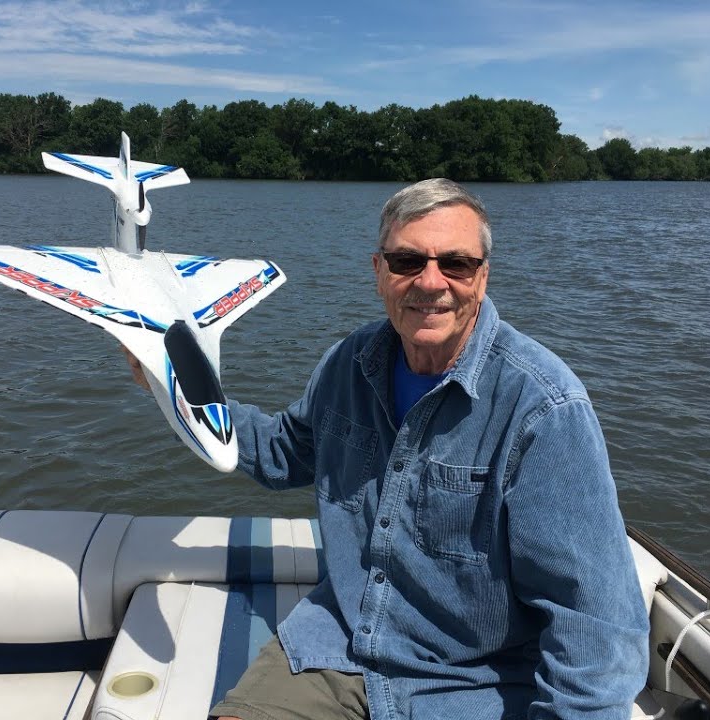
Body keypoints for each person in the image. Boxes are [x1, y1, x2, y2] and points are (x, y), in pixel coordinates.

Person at [124, 178, 649, 720]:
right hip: (339, 645)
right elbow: (285, 451)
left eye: (456, 264)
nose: (431, 281)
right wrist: (177, 390)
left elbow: (595, 622)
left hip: (475, 682)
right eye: (406, 261)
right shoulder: (349, 362)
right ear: (378, 272)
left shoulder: (544, 408)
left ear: (482, 277)